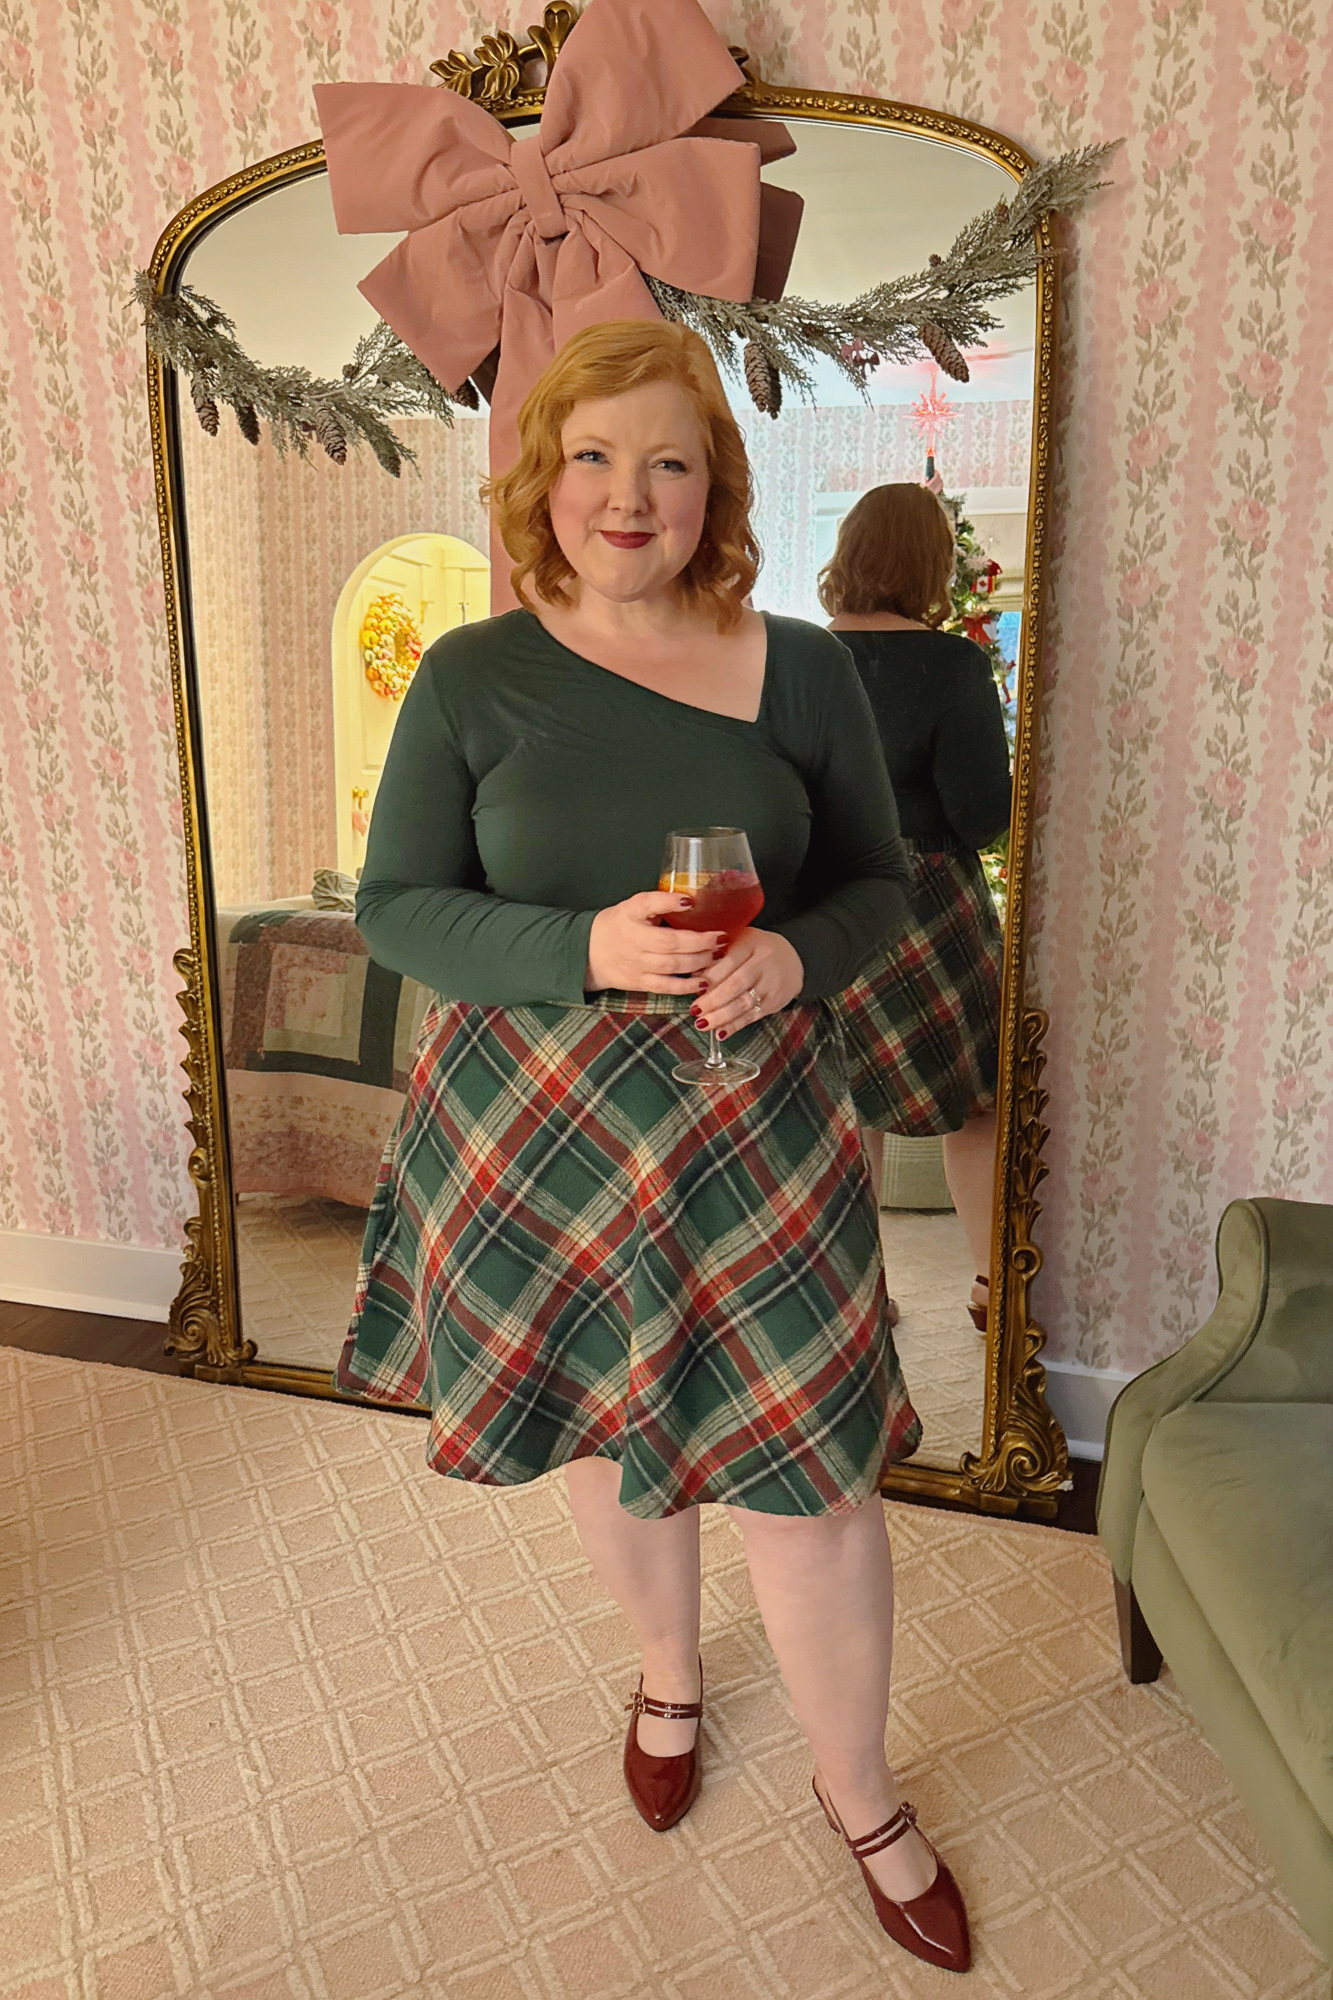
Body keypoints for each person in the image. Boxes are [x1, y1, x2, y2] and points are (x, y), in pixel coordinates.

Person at [339, 323, 971, 1974]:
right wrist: (583, 949)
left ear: (716, 490)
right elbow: (397, 908)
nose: (631, 494)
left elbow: (879, 883)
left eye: (670, 461)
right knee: (608, 1428)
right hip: (535, 1131)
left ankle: (859, 1792)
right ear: (544, 479)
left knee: (812, 1479)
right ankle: (670, 1674)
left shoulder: (800, 668)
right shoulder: (470, 676)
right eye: (596, 457)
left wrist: (799, 959)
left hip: (759, 1129)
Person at [822, 483, 1012, 1334]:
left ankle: (854, 1299)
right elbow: (981, 817)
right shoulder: (952, 664)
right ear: (931, 564)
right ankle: (991, 1289)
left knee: (844, 1106)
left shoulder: (795, 655)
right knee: (973, 1106)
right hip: (927, 903)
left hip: (827, 900)